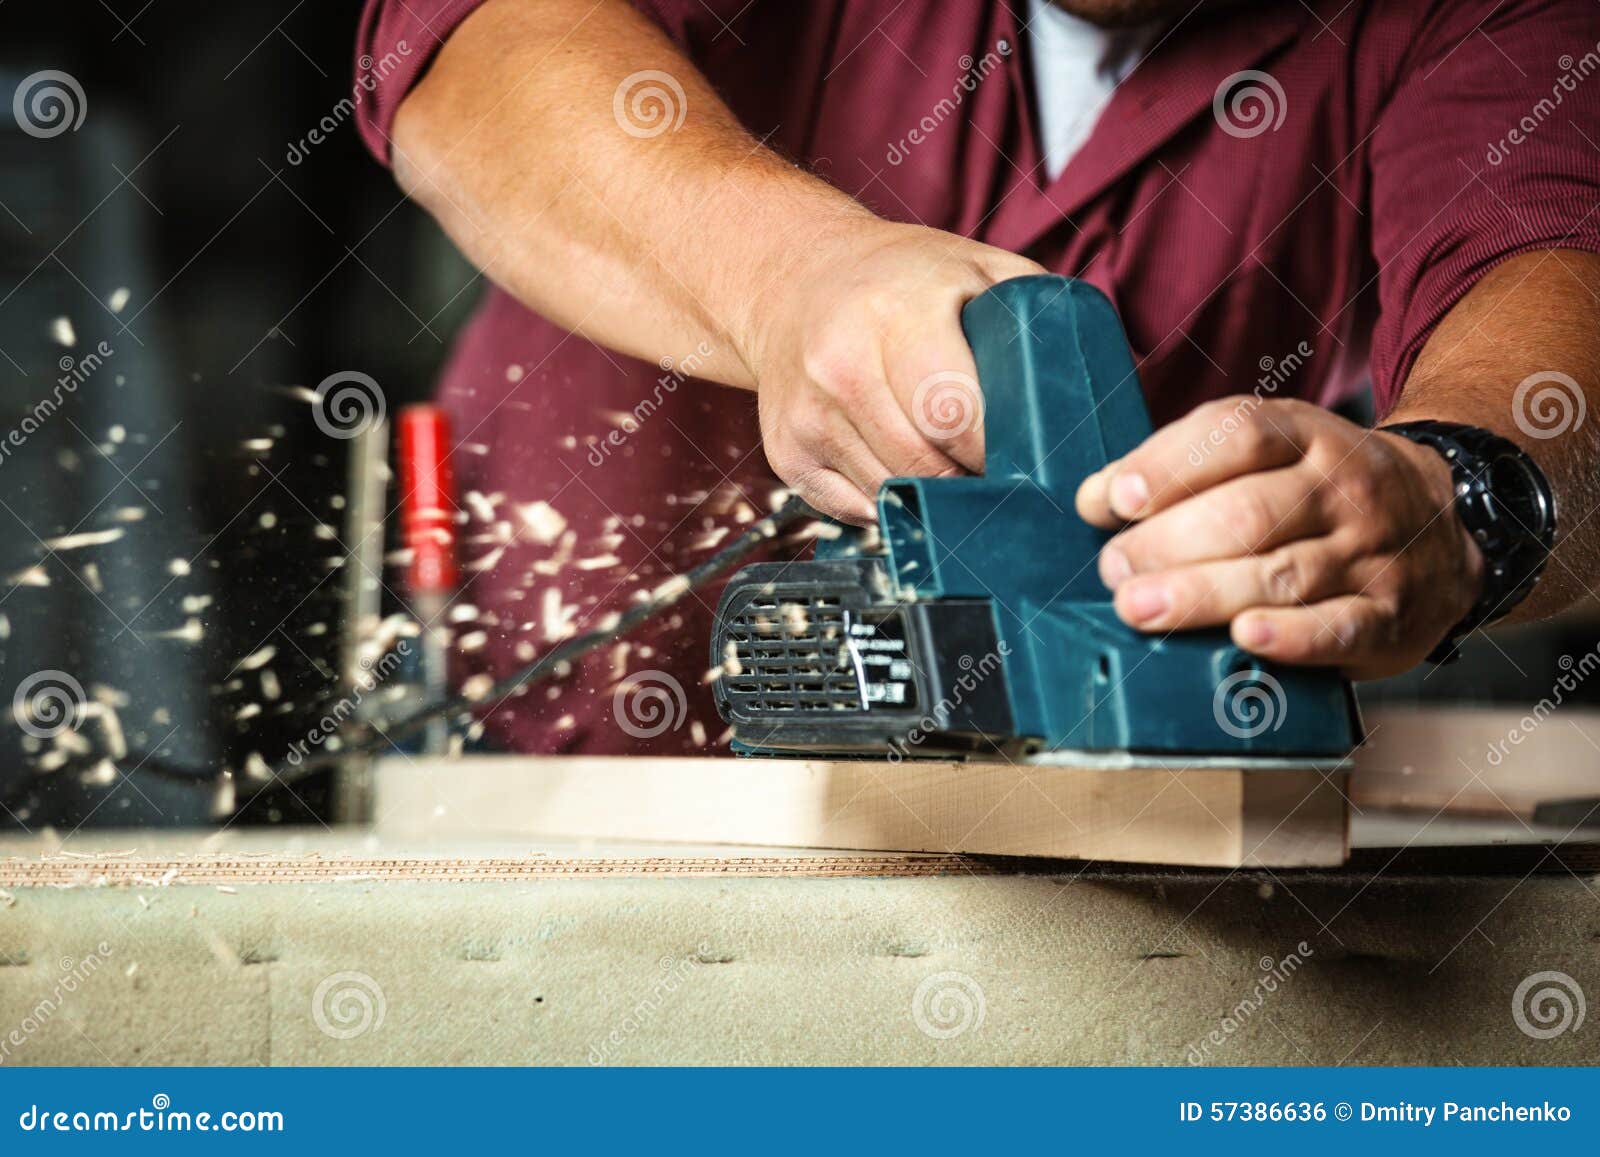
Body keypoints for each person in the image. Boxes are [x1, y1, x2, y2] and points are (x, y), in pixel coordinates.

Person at [354, 0, 1600, 754]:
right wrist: (784, 275)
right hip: (560, 750)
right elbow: (476, 50)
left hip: (1071, 853)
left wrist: (1460, 498)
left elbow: (1547, 271)